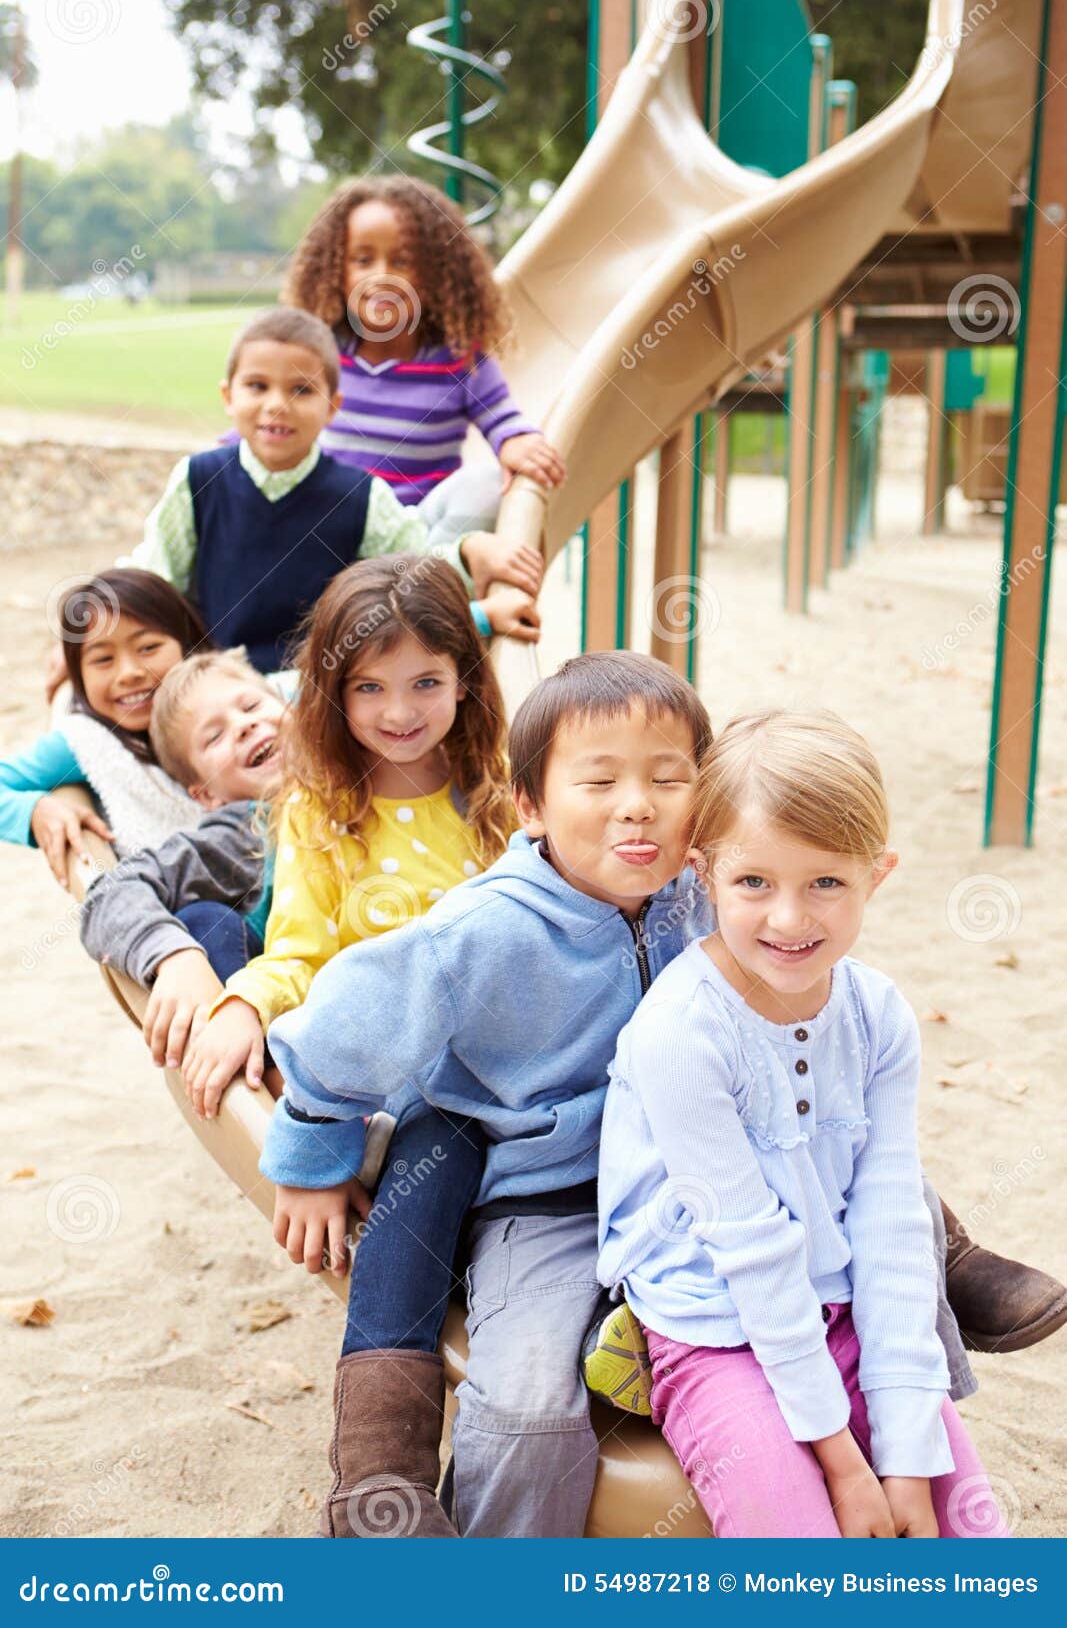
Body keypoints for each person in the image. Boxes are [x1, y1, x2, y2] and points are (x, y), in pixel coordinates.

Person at [261, 655, 1063, 1540]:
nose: (635, 803)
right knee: (529, 1401)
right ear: (528, 804)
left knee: (864, 1177)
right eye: (598, 780)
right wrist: (310, 1151)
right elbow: (342, 1025)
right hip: (555, 1196)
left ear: (704, 808)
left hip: (724, 1168)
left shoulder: (715, 890)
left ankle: (929, 1345)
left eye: (667, 778)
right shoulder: (480, 932)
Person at [597, 710, 1011, 1539]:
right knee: (801, 1548)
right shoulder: (681, 1030)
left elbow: (892, 1223)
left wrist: (900, 1450)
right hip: (710, 1327)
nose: (789, 920)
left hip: (845, 1308)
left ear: (876, 874)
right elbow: (745, 1246)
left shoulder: (877, 1015)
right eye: (754, 883)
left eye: (825, 882)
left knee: (964, 1533)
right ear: (704, 873)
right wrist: (843, 1463)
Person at [182, 555, 517, 1535]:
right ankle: (380, 1477)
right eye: (368, 685)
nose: (399, 709)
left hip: (522, 1068)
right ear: (331, 689)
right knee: (412, 1212)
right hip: (409, 1090)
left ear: (464, 676)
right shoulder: (324, 813)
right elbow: (298, 953)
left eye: (424, 681)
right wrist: (244, 1001)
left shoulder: (501, 793)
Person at [117, 306, 544, 676]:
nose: (276, 405)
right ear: (229, 397)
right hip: (212, 687)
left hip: (315, 692)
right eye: (257, 386)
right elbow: (155, 581)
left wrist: (470, 555)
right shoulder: (196, 479)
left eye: (301, 390)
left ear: (333, 407)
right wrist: (101, 636)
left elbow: (415, 576)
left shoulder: (361, 496)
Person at [283, 174, 566, 535]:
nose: (382, 276)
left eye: (402, 261)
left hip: (416, 532)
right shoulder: (320, 353)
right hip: (336, 525)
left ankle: (435, 577)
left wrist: (516, 440)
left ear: (435, 274)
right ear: (335, 270)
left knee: (485, 486)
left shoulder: (460, 362)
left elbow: (501, 418)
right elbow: (273, 412)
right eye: (363, 259)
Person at [79, 649, 288, 1090]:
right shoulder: (241, 832)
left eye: (251, 706)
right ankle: (278, 1087)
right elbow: (108, 894)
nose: (245, 725)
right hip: (294, 1012)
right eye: (214, 737)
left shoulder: (373, 770)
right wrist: (176, 957)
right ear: (206, 795)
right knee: (204, 923)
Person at [2, 569, 207, 883]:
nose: (128, 673)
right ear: (77, 674)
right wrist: (34, 811)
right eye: (102, 660)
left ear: (189, 644)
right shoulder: (86, 743)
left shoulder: (229, 707)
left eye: (148, 648)